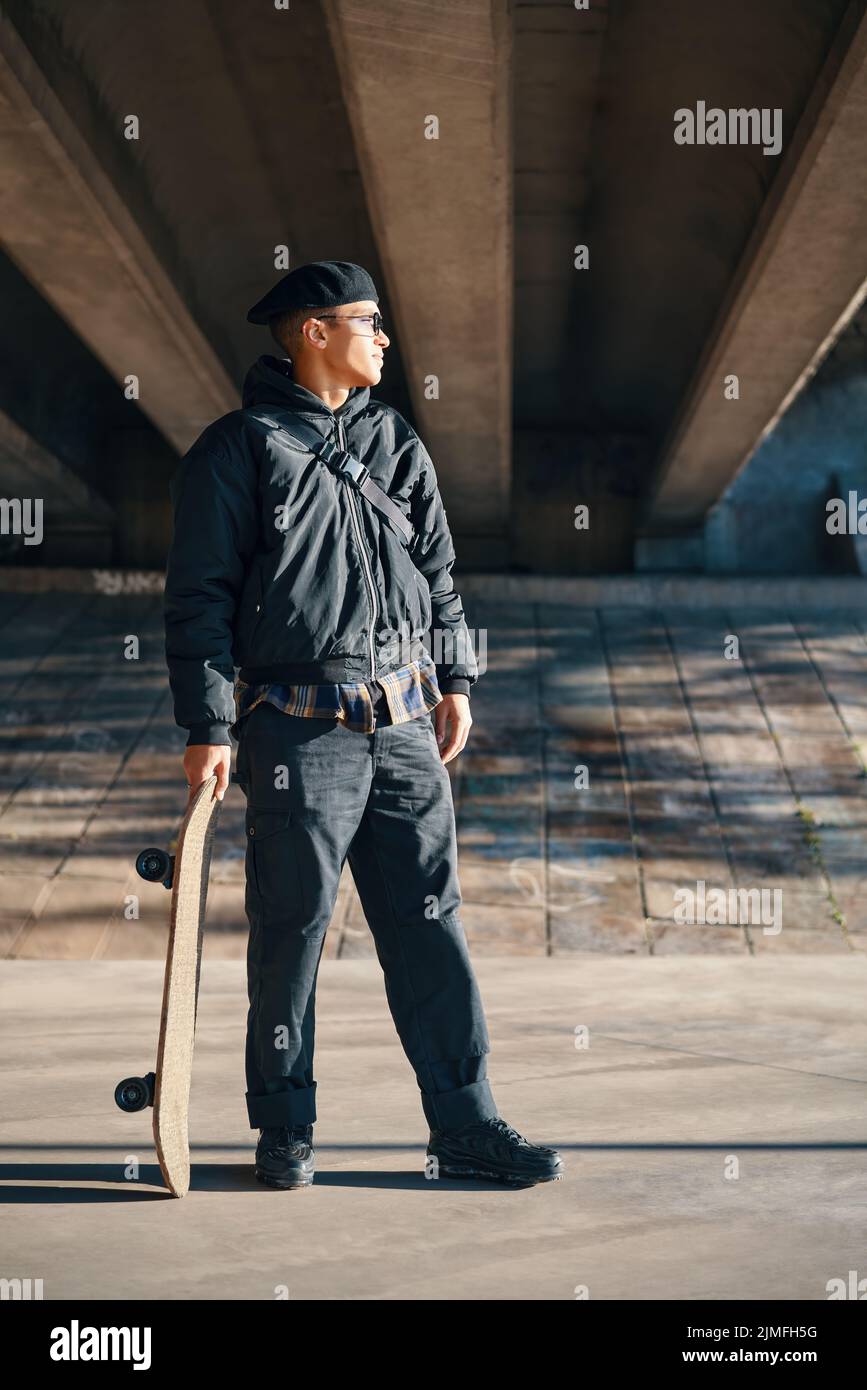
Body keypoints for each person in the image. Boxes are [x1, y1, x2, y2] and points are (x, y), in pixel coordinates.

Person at [163, 259, 563, 1190]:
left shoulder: (395, 442)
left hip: (408, 725)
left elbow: (440, 570)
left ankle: (466, 1126)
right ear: (312, 330)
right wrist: (209, 727)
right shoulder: (237, 451)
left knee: (431, 926)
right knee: (291, 931)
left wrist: (455, 676)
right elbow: (199, 602)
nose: (384, 338)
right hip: (298, 734)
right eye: (367, 322)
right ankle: (285, 1130)